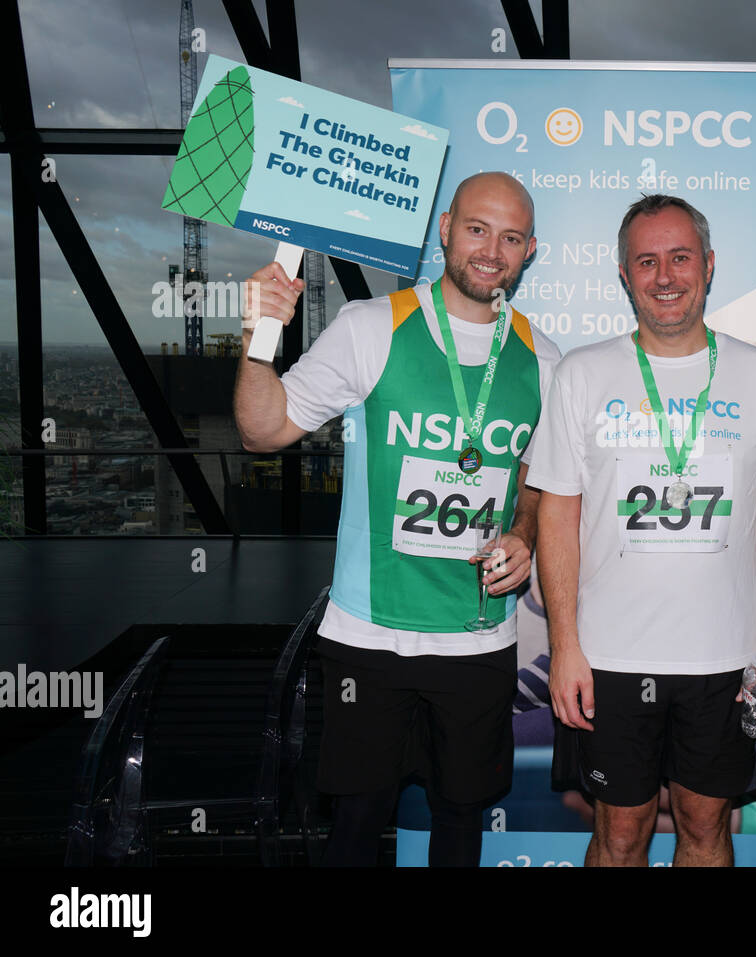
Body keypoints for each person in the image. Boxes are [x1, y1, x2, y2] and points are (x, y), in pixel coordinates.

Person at [234, 171, 561, 866]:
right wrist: (260, 335)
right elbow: (262, 431)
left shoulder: (544, 358)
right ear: (446, 228)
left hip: (477, 641)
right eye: (477, 229)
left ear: (530, 250)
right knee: (357, 823)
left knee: (461, 822)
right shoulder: (371, 327)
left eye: (510, 238)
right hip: (369, 637)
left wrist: (526, 532)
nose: (490, 250)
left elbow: (538, 471)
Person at [527, 194, 756, 866]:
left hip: (724, 661)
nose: (665, 275)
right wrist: (565, 645)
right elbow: (555, 513)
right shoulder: (581, 374)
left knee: (708, 830)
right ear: (624, 274)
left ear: (708, 265)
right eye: (646, 261)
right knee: (620, 833)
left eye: (680, 257)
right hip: (610, 658)